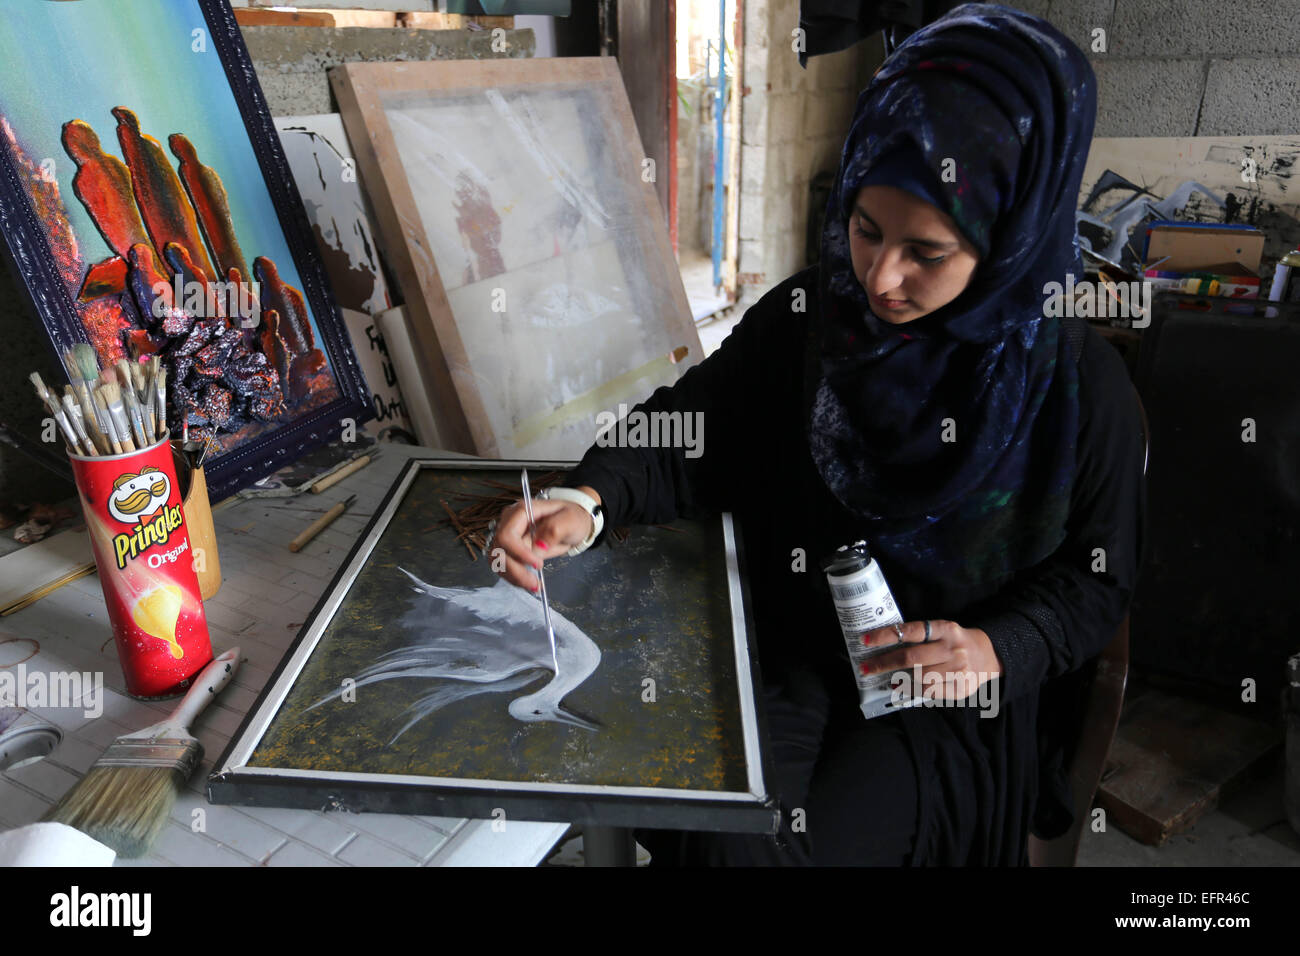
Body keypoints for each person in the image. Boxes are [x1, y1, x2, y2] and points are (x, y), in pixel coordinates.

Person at [490, 3, 1146, 865]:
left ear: (1014, 235)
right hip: (788, 638)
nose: (880, 277)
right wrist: (591, 497)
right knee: (727, 833)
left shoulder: (1074, 388)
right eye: (865, 228)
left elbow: (1095, 584)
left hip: (936, 691)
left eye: (929, 252)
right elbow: (698, 423)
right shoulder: (811, 316)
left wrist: (996, 646)